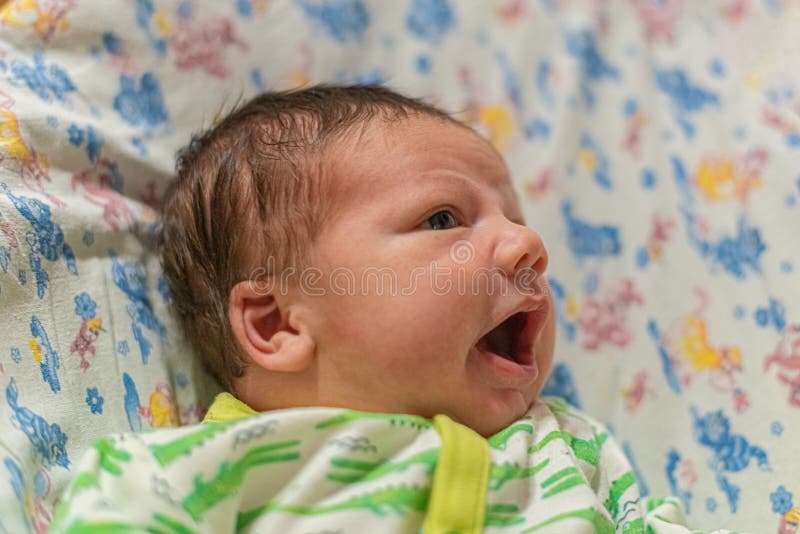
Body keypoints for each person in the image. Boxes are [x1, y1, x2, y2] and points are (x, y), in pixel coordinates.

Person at [50, 85, 720, 533]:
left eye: (514, 217)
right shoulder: (209, 469)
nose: (527, 244)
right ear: (278, 324)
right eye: (443, 218)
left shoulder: (571, 446)